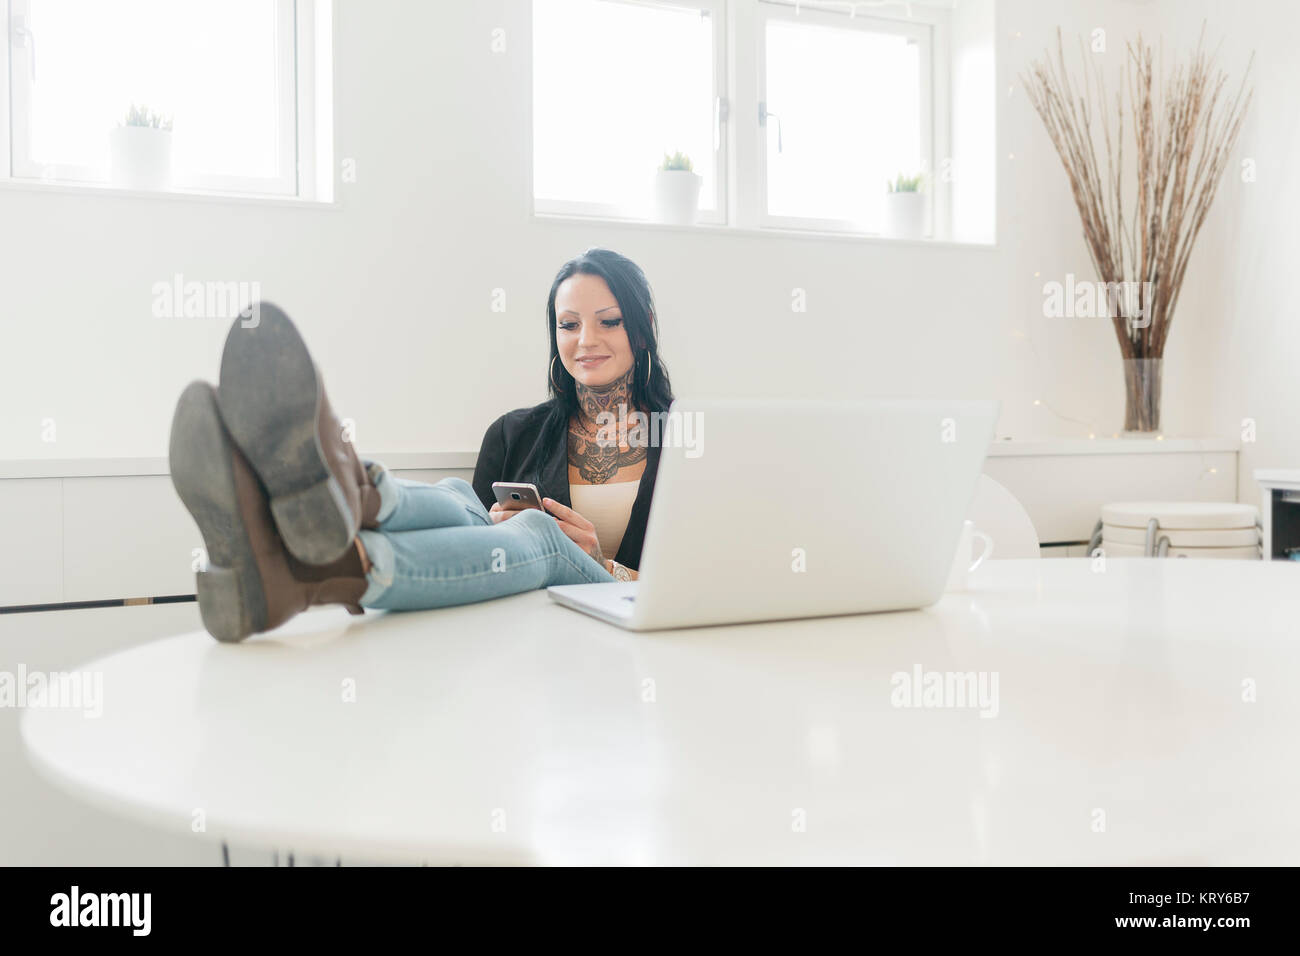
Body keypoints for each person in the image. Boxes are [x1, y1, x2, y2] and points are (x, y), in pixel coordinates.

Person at [168, 248, 674, 642]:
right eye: (569, 324)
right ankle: (306, 556)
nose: (586, 339)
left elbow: (709, 587)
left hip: (631, 623)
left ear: (644, 325)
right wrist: (497, 534)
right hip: (525, 630)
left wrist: (603, 564)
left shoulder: (690, 442)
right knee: (460, 498)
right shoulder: (513, 434)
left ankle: (337, 521)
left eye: (609, 321)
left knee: (538, 530)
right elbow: (472, 547)